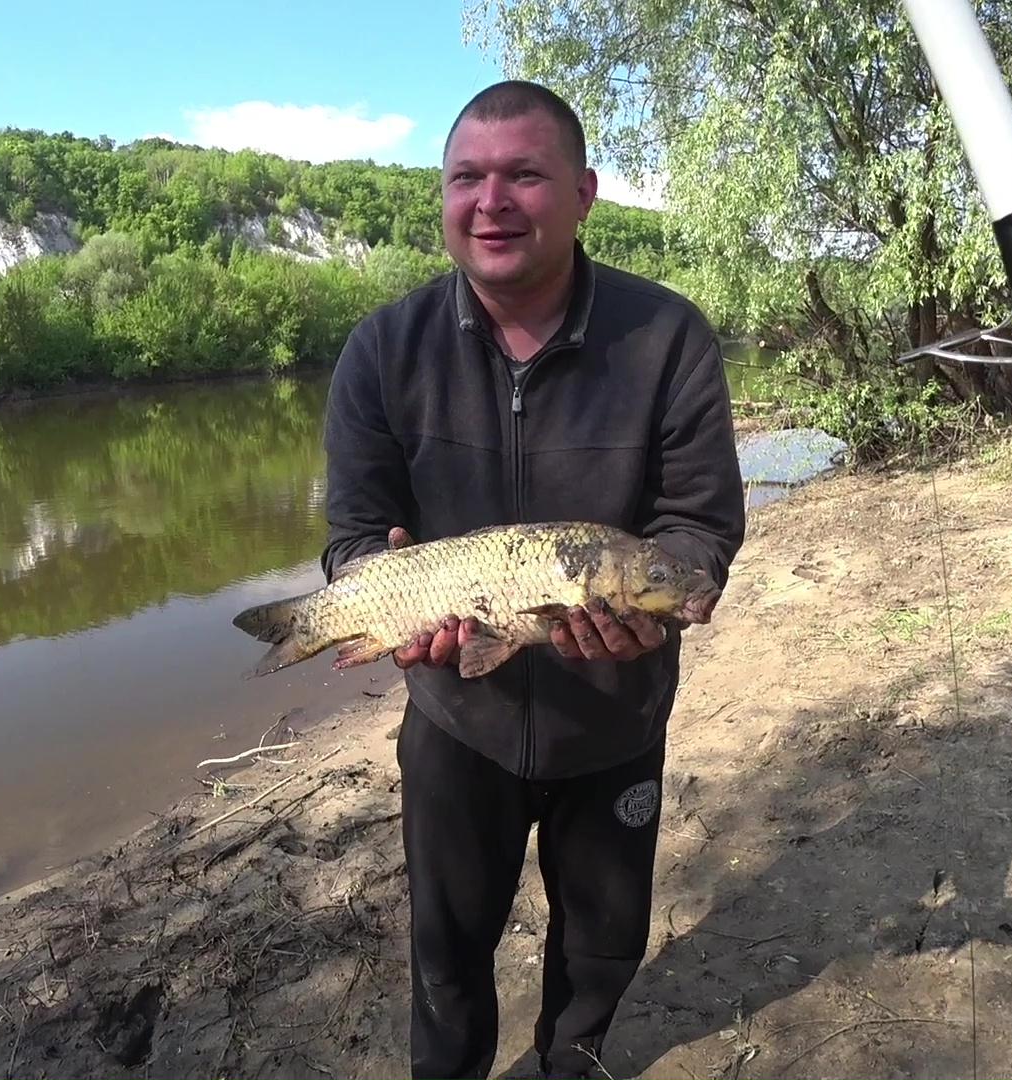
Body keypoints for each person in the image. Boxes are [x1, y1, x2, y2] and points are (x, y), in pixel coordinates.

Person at [319, 79, 746, 1080]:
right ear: (444, 196)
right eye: (467, 176)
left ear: (585, 192)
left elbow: (697, 527)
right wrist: (378, 596)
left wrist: (669, 605)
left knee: (602, 940)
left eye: (524, 174)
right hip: (455, 716)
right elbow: (351, 537)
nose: (492, 199)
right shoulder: (384, 350)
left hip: (615, 715)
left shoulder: (666, 339)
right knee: (448, 950)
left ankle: (574, 1060)